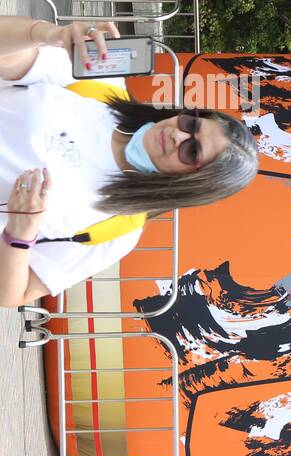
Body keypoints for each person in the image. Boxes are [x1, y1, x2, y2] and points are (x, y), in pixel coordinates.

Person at [0, 15, 258, 307]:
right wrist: (49, 34)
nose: (178, 136)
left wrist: (21, 233)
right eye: (191, 124)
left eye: (192, 152)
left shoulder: (119, 231)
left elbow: (13, 294)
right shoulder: (102, 84)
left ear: (192, 183)